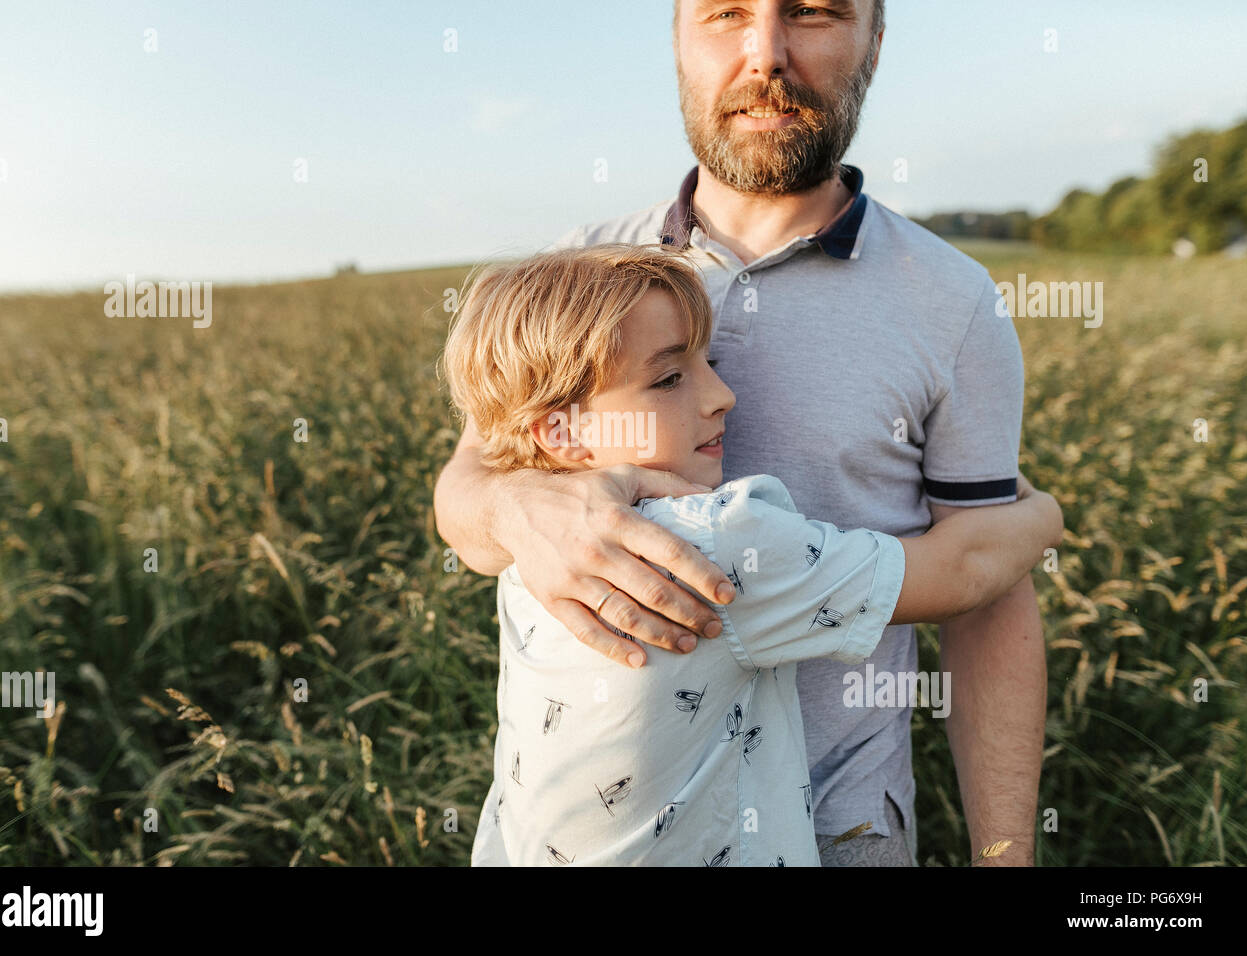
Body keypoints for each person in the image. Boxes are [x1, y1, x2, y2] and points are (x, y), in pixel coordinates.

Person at [435, 0, 1047, 866]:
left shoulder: (955, 300)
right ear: (677, 40)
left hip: (843, 829)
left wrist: (1005, 855)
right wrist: (517, 509)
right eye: (726, 12)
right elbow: (467, 495)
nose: (766, 53)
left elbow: (989, 594)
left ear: (874, 42)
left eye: (813, 12)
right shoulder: (582, 278)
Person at [441, 244, 1062, 866]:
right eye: (668, 379)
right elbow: (960, 573)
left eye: (706, 363)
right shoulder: (717, 540)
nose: (722, 394)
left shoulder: (533, 545)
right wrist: (1044, 514)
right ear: (562, 431)